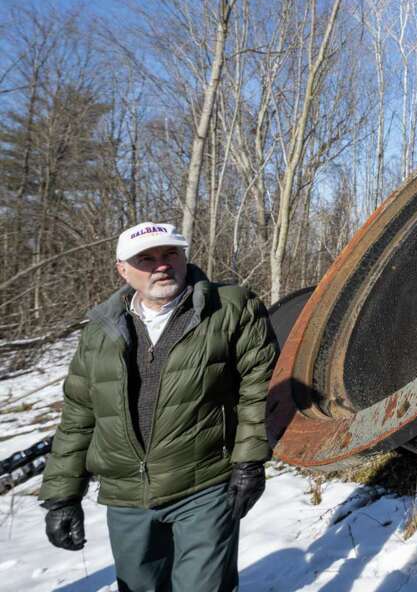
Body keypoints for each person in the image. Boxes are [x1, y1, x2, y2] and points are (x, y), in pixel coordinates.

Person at [39, 222, 277, 592]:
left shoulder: (231, 308)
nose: (161, 265)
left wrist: (248, 462)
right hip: (127, 495)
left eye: (170, 254)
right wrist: (62, 497)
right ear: (123, 269)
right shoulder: (100, 329)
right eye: (145, 258)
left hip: (204, 484)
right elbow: (78, 416)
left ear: (184, 258)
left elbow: (258, 388)